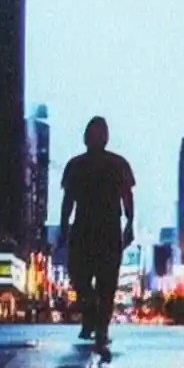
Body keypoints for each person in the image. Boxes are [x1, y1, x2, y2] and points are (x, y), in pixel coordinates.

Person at [60, 116, 136, 346]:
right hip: (94, 228)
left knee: (101, 281)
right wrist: (64, 224)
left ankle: (97, 324)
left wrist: (130, 222)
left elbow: (126, 195)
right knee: (88, 279)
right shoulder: (81, 165)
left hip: (99, 228)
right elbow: (68, 199)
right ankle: (93, 320)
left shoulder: (113, 164)